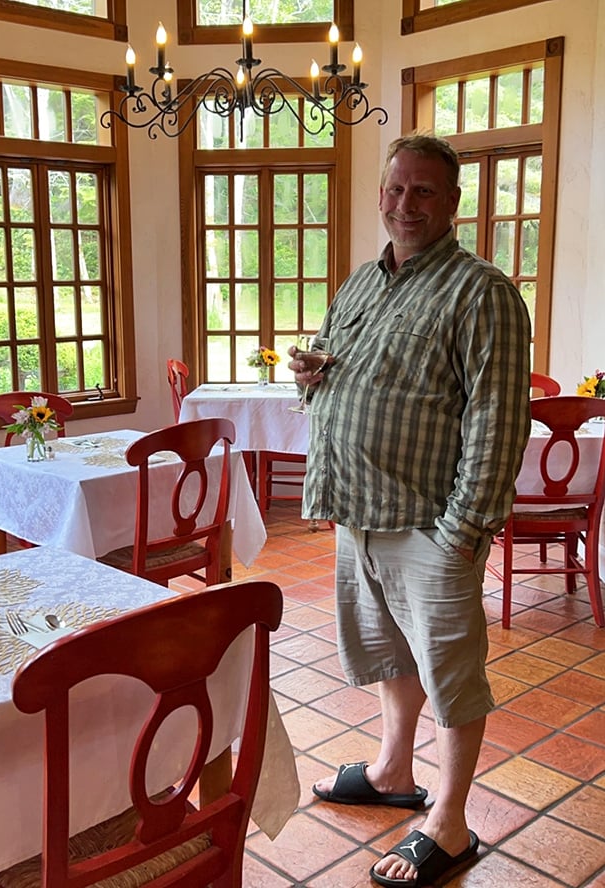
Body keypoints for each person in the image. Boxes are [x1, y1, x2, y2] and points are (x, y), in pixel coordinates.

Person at [289, 133, 531, 887]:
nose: (405, 204)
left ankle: (451, 822)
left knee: (450, 670)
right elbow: (330, 362)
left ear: (453, 204)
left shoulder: (481, 290)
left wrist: (467, 527)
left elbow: (498, 416)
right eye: (396, 189)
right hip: (358, 509)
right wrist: (312, 370)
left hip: (431, 523)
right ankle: (394, 769)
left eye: (424, 191)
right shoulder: (363, 280)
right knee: (390, 653)